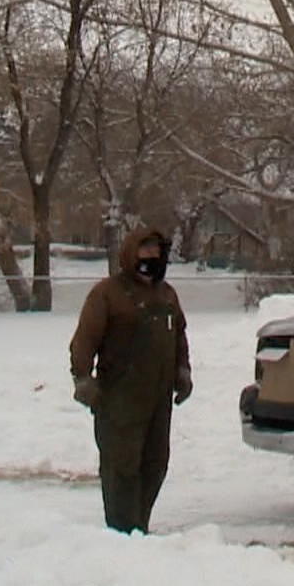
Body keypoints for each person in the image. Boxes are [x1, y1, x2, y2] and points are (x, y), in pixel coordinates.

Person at [69, 227, 192, 533]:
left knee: (155, 463)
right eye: (144, 251)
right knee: (121, 466)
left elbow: (179, 337)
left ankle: (140, 524)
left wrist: (183, 372)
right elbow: (84, 339)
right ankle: (122, 532)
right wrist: (83, 377)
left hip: (159, 398)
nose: (151, 257)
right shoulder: (108, 293)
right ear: (130, 254)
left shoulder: (166, 295)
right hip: (120, 397)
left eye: (156, 251)